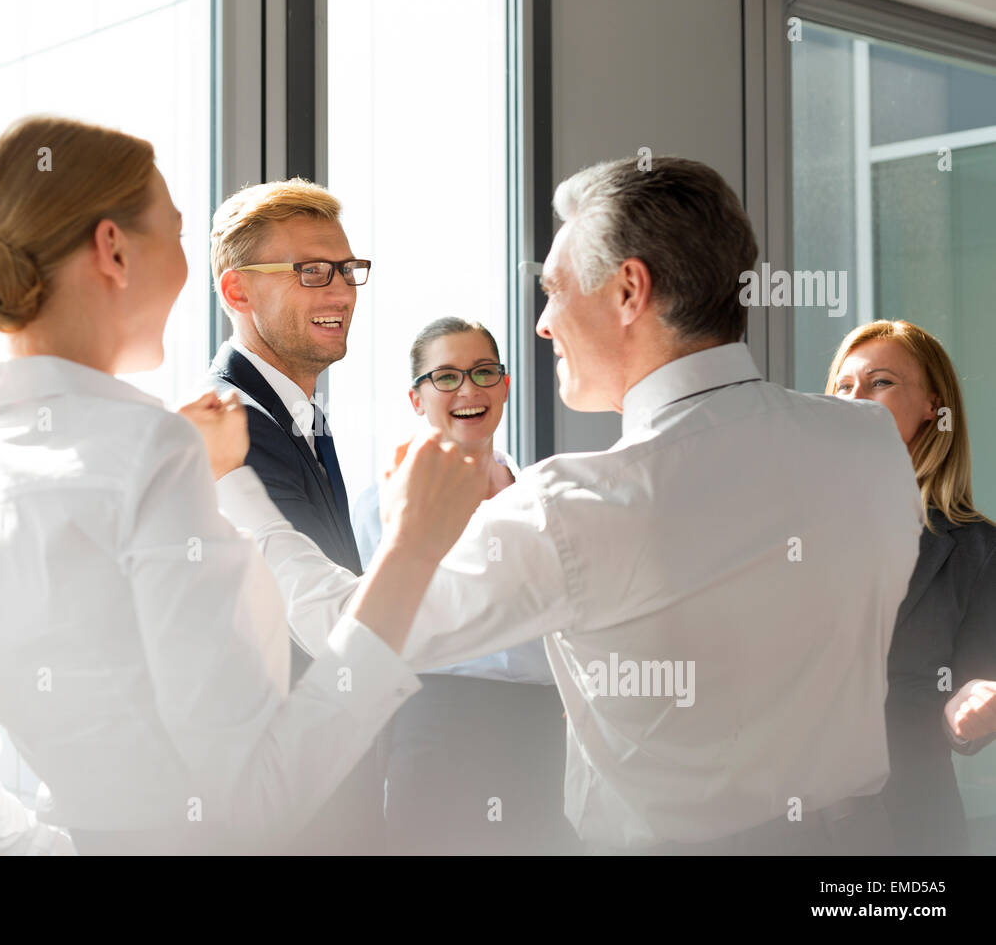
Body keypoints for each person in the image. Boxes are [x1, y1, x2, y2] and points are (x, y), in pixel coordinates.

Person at [213, 155, 924, 854]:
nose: (545, 324)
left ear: (628, 292)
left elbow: (351, 634)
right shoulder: (868, 440)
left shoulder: (577, 507)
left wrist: (231, 488)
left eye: (555, 290)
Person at [0, 115, 485, 855]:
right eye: (175, 231)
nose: (187, 265)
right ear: (113, 249)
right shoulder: (156, 454)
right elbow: (260, 797)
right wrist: (416, 546)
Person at [202, 180, 383, 853]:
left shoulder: (299, 417)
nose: (341, 293)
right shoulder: (230, 423)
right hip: (290, 808)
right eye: (311, 272)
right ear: (237, 291)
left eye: (347, 271)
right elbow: (321, 625)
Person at [350, 316, 574, 854]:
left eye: (483, 372)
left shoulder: (548, 500)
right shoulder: (384, 505)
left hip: (537, 730)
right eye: (445, 377)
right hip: (435, 725)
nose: (468, 390)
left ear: (505, 385)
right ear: (416, 397)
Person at [827, 319, 996, 854]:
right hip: (780, 822)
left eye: (881, 382)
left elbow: (971, 697)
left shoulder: (977, 548)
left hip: (907, 823)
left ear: (933, 406)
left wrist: (962, 721)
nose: (857, 398)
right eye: (844, 385)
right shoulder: (787, 526)